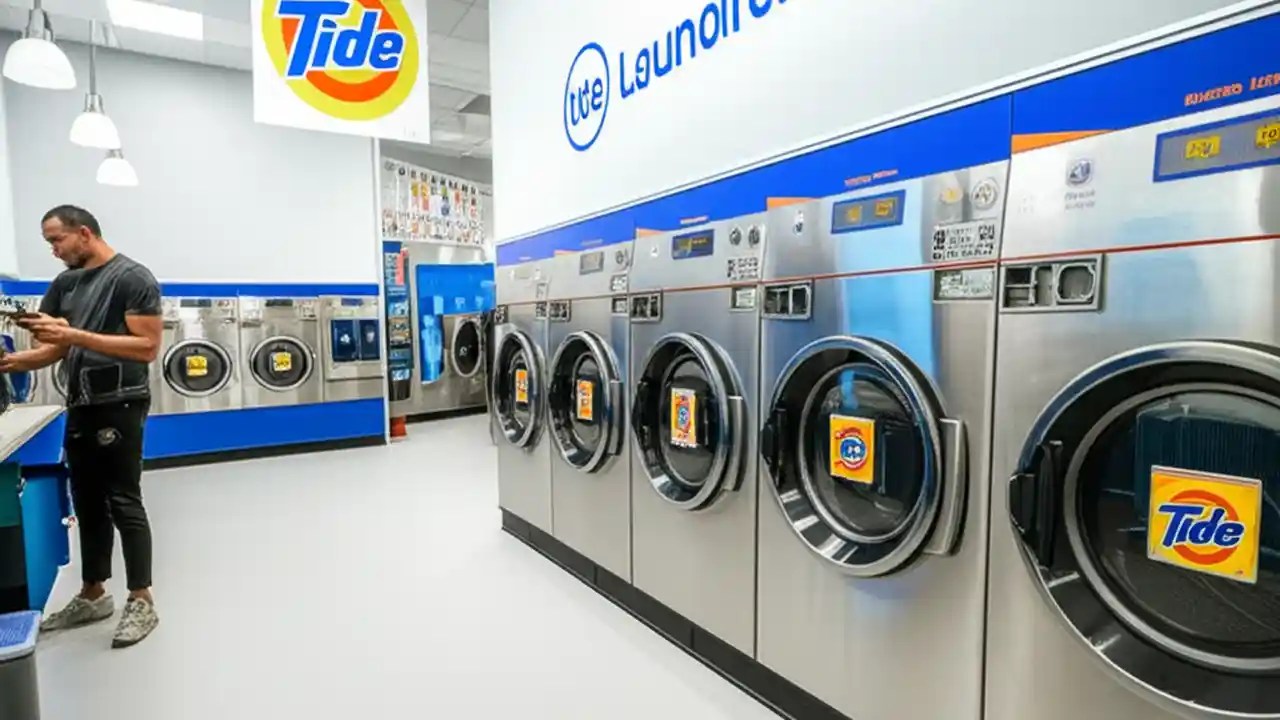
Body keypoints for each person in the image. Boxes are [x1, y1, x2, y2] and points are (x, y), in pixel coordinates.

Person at [0, 205, 163, 648]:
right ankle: (93, 594)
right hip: (82, 402)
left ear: (85, 233)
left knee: (123, 500)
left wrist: (75, 336)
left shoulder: (132, 278)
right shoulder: (65, 284)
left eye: (57, 240)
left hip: (120, 401)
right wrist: (13, 361)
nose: (53, 250)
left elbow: (147, 347)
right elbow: (54, 348)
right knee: (87, 502)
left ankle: (142, 599)